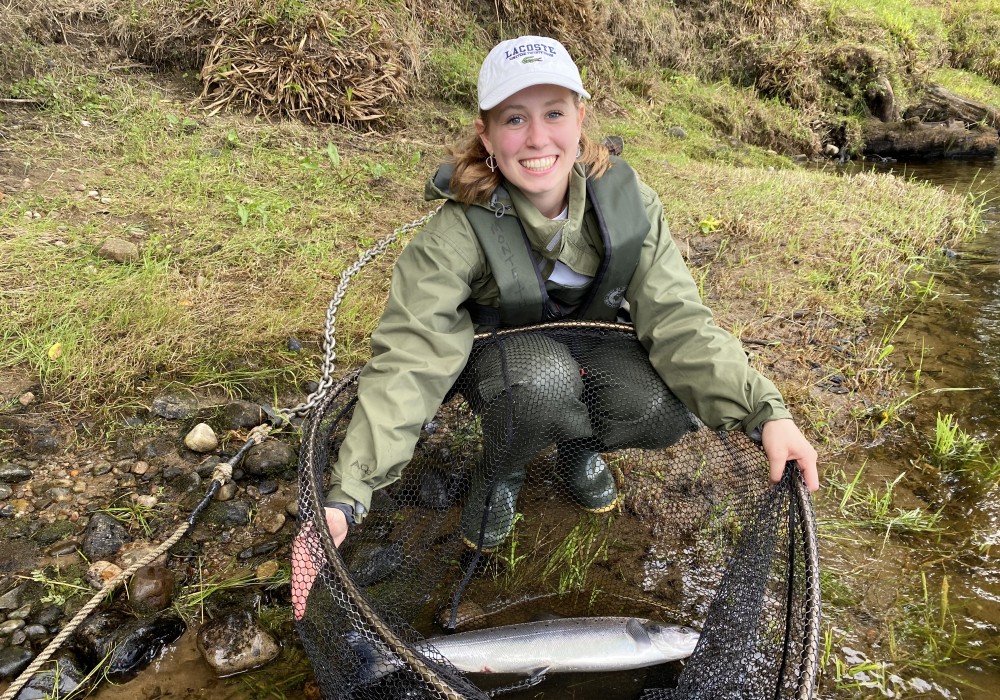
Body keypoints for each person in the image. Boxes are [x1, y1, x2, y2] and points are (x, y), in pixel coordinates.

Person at [292, 35, 819, 619]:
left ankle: (578, 451)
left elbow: (680, 322)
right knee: (541, 384)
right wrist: (346, 495)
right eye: (515, 119)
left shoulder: (630, 202)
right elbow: (409, 357)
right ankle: (500, 471)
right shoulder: (454, 233)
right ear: (487, 135)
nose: (538, 138)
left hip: (597, 348)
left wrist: (767, 414)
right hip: (507, 361)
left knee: (667, 406)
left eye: (554, 114)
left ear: (580, 119)